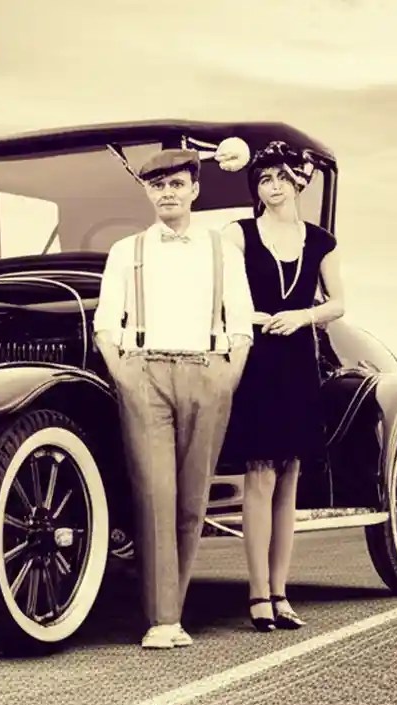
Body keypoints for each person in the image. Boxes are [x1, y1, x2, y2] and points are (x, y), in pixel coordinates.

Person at [93, 148, 255, 649]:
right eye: (158, 185)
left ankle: (175, 610)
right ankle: (162, 621)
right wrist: (125, 375)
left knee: (191, 499)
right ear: (147, 191)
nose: (168, 193)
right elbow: (106, 325)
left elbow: (242, 323)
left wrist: (226, 377)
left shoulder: (221, 249)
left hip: (208, 373)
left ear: (194, 190)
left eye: (177, 184)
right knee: (155, 494)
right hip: (145, 374)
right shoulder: (127, 250)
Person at [219, 139, 346, 632]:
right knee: (261, 472)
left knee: (290, 473)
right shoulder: (238, 233)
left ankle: (281, 592)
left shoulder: (320, 241)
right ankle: (256, 596)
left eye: (279, 178)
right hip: (256, 356)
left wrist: (302, 316)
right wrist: (246, 315)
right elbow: (221, 290)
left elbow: (338, 303)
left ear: (298, 181)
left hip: (297, 356)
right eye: (263, 179)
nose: (272, 187)